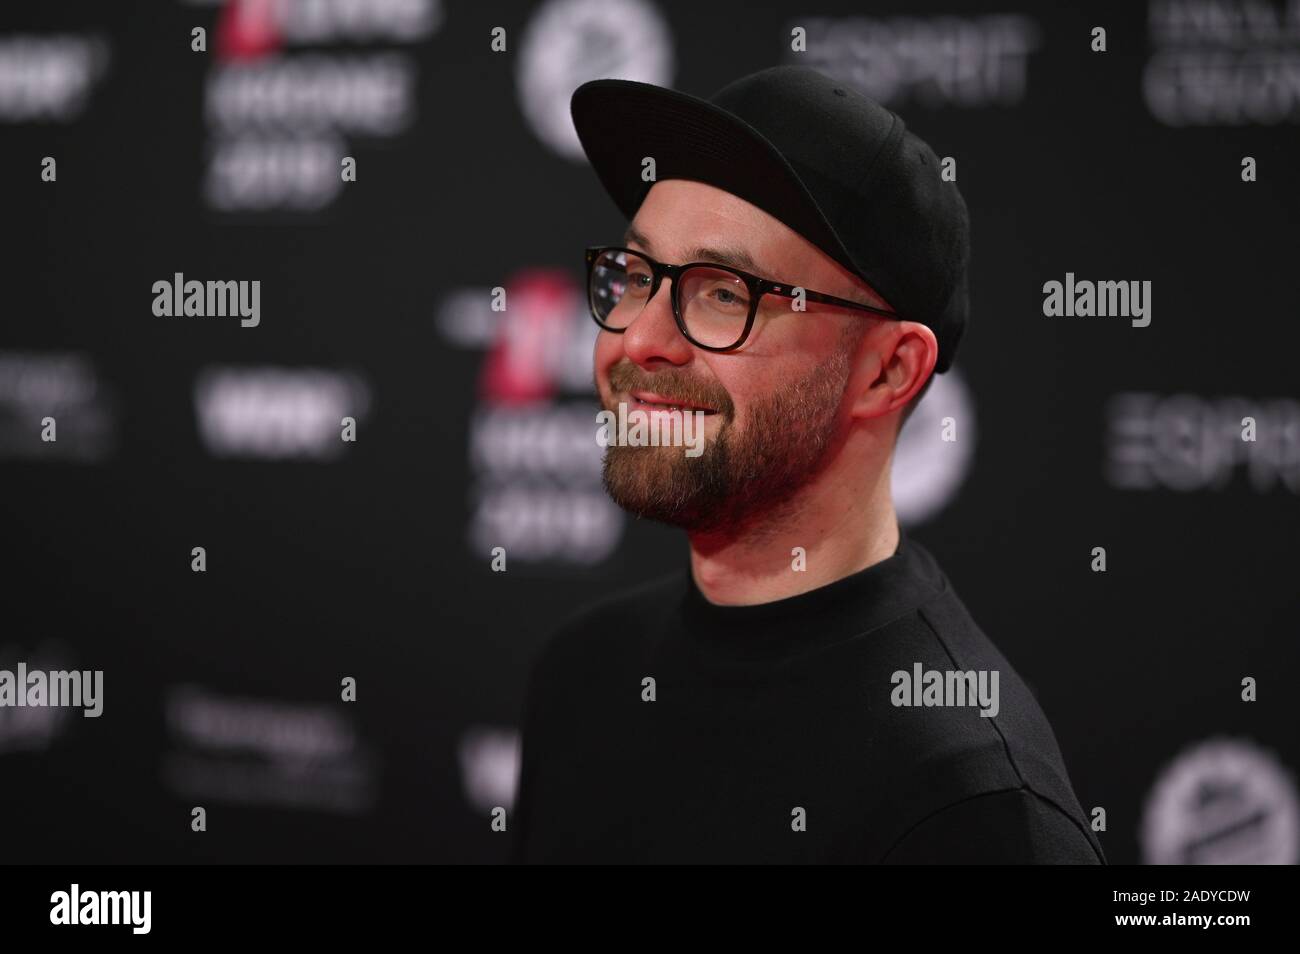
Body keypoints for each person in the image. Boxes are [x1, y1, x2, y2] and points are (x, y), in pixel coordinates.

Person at [511, 65, 1104, 864]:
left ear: (888, 371)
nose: (641, 339)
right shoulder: (583, 672)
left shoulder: (971, 805)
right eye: (638, 275)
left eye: (724, 294)